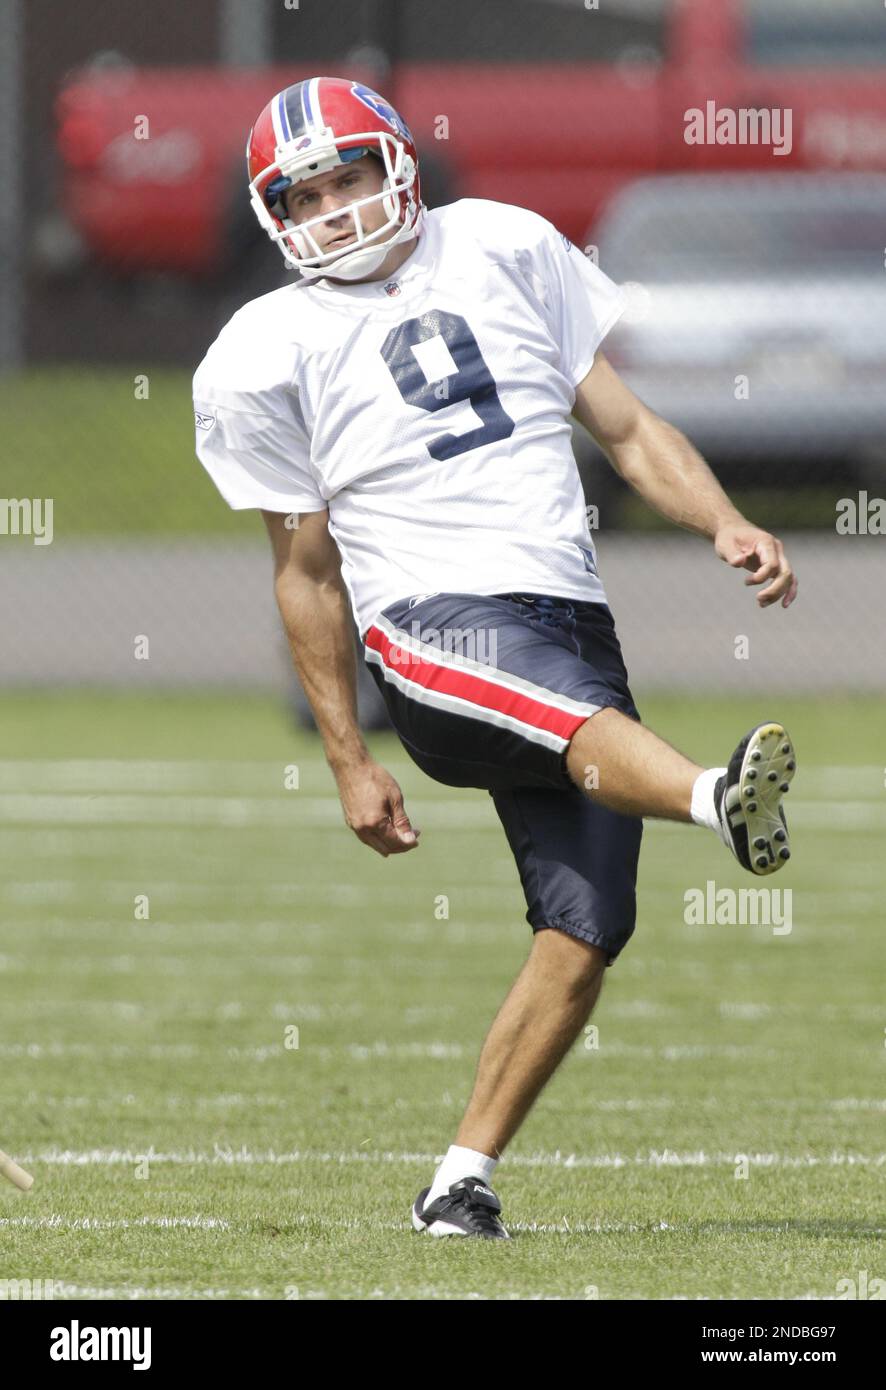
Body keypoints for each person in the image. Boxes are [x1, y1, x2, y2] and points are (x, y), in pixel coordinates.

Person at [192, 77, 798, 1241]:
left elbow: (622, 425)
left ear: (400, 166)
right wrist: (343, 760)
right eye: (303, 193)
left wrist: (720, 518)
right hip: (429, 625)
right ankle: (712, 797)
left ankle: (457, 1179)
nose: (332, 207)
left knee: (583, 928)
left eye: (349, 175)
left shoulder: (506, 244)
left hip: (567, 614)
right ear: (273, 214)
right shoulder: (260, 350)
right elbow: (307, 574)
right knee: (560, 718)